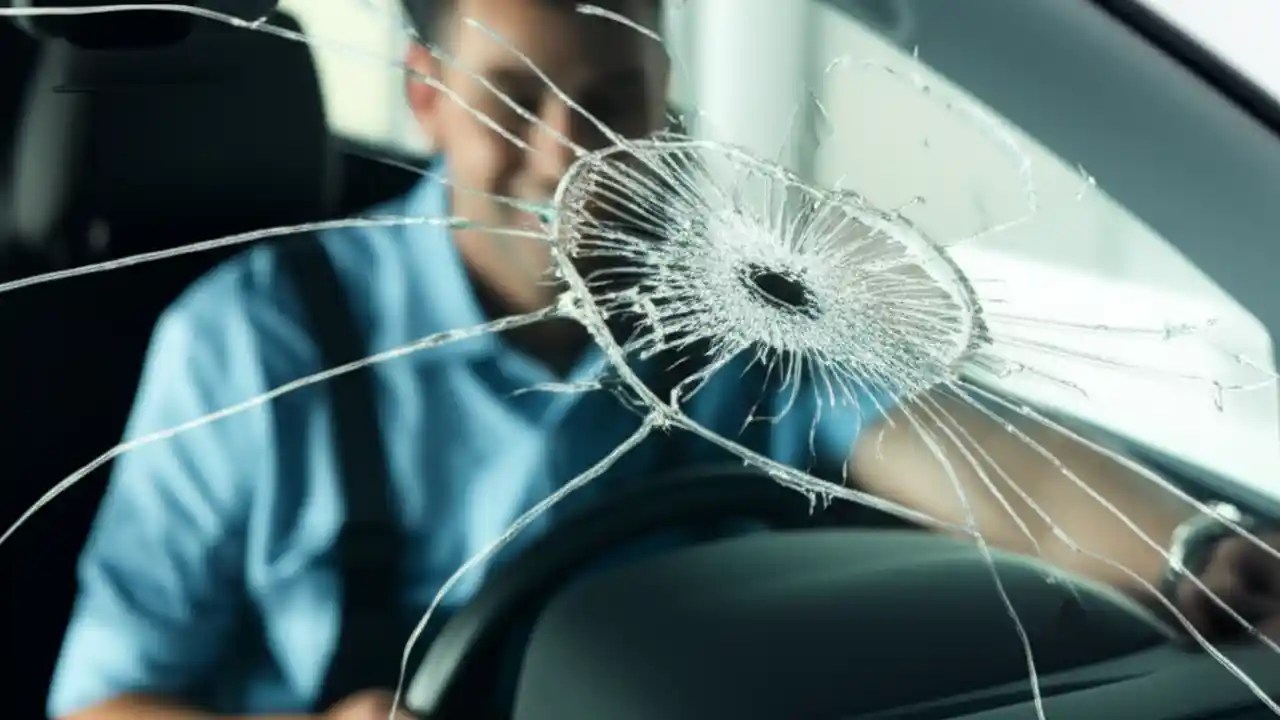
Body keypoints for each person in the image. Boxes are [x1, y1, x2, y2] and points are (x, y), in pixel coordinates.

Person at [46, 0, 1280, 718]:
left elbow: (967, 451)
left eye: (611, 97)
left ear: (665, 90)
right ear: (424, 95)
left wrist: (1192, 554)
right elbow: (102, 699)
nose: (566, 152)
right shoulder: (256, 335)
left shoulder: (747, 309)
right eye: (508, 100)